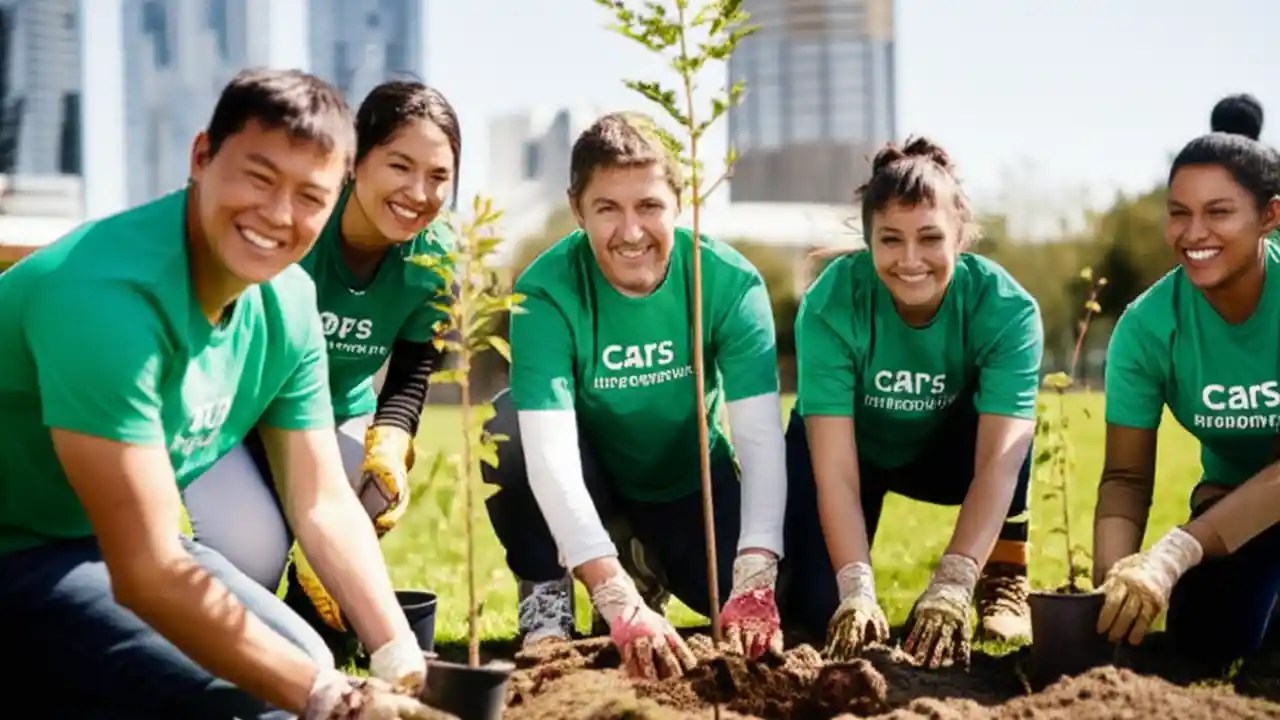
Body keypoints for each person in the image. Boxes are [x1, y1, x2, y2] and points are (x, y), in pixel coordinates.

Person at [0, 68, 433, 718]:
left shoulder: (286, 303)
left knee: (299, 656)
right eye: (259, 178)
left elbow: (319, 499)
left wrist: (395, 647)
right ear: (202, 156)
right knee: (263, 691)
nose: (279, 216)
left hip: (87, 541)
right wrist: (330, 699)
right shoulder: (105, 300)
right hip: (17, 552)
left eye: (311, 197)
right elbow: (145, 571)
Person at [481, 111, 789, 678]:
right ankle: (550, 599)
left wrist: (754, 573)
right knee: (511, 427)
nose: (630, 232)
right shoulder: (545, 292)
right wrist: (611, 592)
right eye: (607, 209)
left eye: (648, 206)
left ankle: (648, 561)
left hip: (689, 485)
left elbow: (761, 440)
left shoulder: (728, 282)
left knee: (801, 607)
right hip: (589, 478)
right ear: (577, 209)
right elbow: (550, 456)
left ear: (679, 201)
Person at [182, 79, 460, 645]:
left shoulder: (434, 259)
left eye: (438, 177)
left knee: (373, 493)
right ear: (355, 162)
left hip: (327, 414)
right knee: (250, 554)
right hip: (234, 416)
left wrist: (391, 439)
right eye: (399, 166)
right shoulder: (300, 222)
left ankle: (316, 614)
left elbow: (413, 368)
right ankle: (239, 607)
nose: (418, 192)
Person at [782, 137, 1043, 669]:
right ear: (868, 239)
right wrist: (855, 586)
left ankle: (1003, 572)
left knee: (1014, 435)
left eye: (930, 239)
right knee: (814, 608)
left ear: (960, 236)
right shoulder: (831, 303)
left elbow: (998, 461)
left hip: (947, 452)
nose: (910, 260)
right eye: (890, 240)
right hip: (852, 452)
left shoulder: (1007, 309)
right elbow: (833, 470)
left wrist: (955, 579)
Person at [1092, 107, 1280, 671]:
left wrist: (1179, 549)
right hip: (1232, 506)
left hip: (1217, 523)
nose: (1193, 232)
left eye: (1218, 212)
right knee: (1203, 635)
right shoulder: (1148, 327)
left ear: (1270, 215)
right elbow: (1124, 477)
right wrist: (1118, 581)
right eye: (1179, 213)